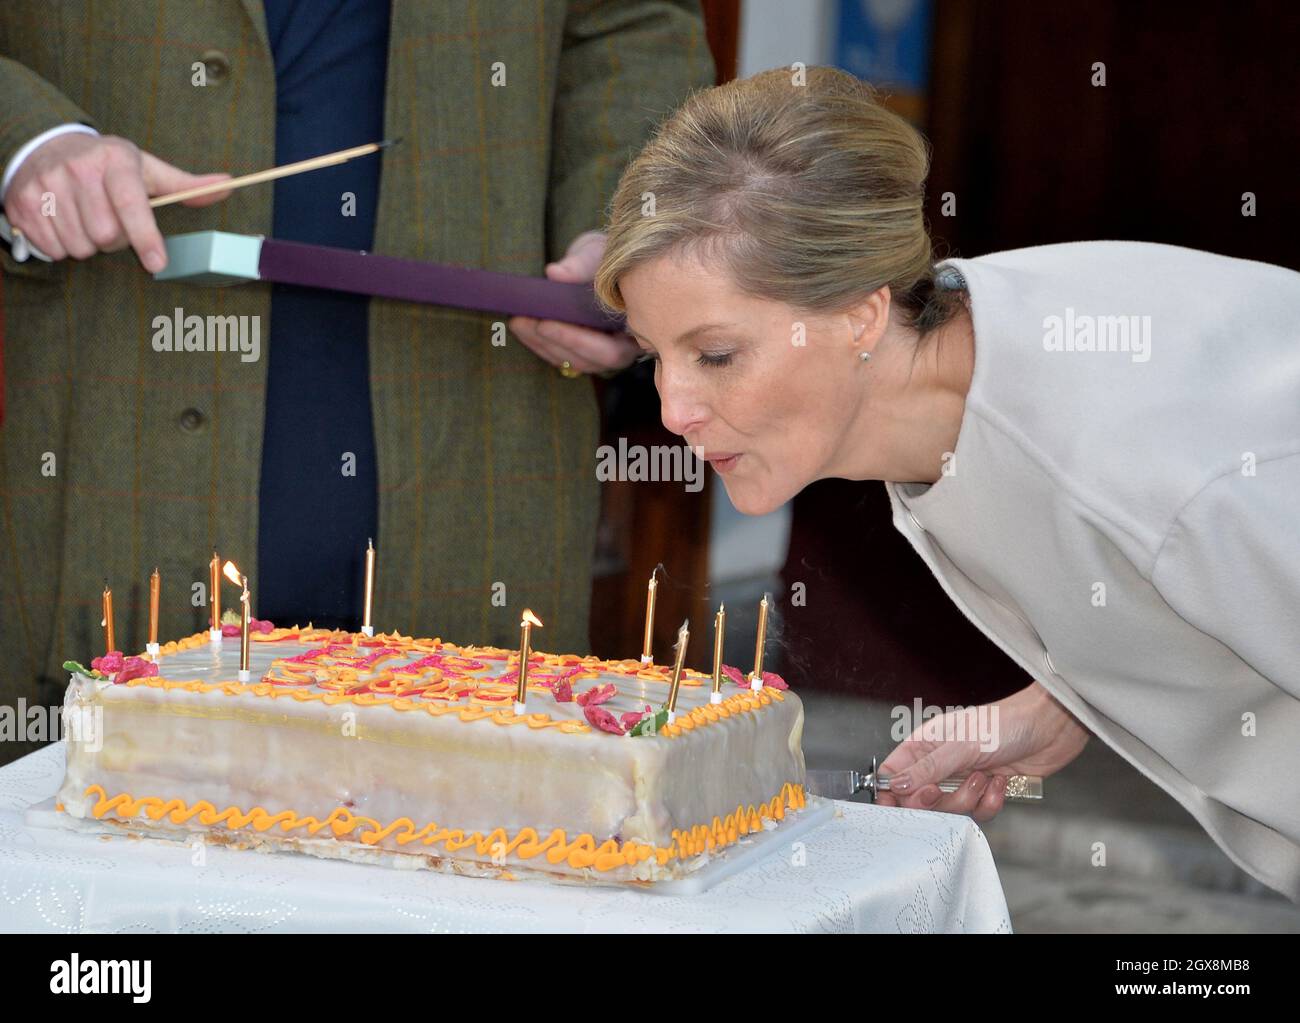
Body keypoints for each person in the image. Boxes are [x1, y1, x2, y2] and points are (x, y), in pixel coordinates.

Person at [590, 65, 1300, 901]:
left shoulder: (1154, 472)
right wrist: (1060, 701)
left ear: (860, 313)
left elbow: (1165, 514)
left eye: (716, 355)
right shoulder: (958, 365)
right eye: (653, 355)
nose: (673, 409)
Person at [0, 1, 713, 766]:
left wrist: (625, 230)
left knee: (466, 844)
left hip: (474, 486)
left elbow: (632, 21)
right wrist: (28, 140)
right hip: (109, 450)